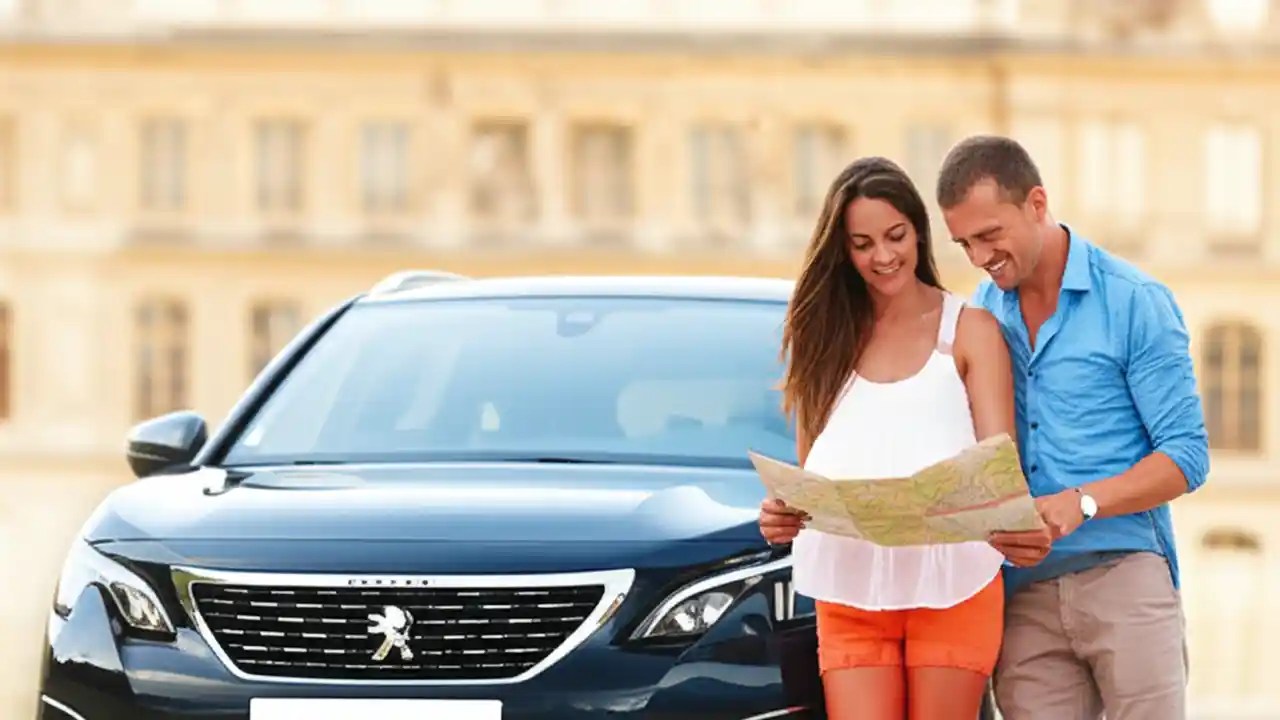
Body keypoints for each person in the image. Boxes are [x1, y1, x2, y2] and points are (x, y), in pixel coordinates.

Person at [934, 134, 1210, 720]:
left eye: (990, 235)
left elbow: (1187, 455)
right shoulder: (981, 316)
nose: (980, 257)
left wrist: (1080, 503)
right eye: (965, 243)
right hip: (1025, 595)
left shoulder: (1134, 302)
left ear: (1036, 203)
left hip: (1126, 576)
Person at [758, 155, 1016, 720]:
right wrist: (782, 515)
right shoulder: (822, 339)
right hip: (851, 587)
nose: (883, 256)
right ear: (843, 251)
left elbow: (1000, 469)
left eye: (895, 236)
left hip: (953, 582)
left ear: (918, 232)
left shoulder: (970, 330)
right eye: (862, 244)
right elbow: (810, 478)